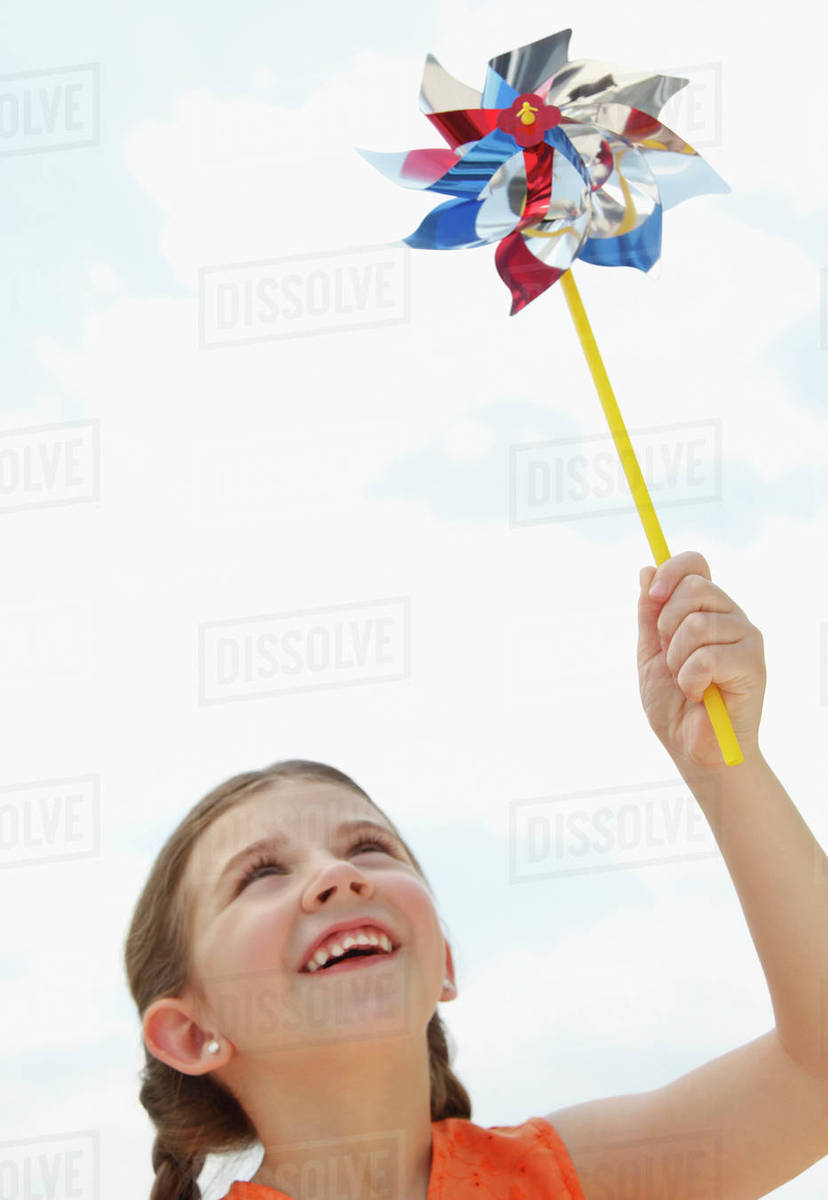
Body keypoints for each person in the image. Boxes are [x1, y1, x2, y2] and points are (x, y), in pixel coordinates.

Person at [124, 551, 828, 1199]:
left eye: (370, 846)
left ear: (444, 966)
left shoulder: (566, 1178)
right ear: (191, 1033)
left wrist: (722, 767)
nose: (338, 874)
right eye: (262, 873)